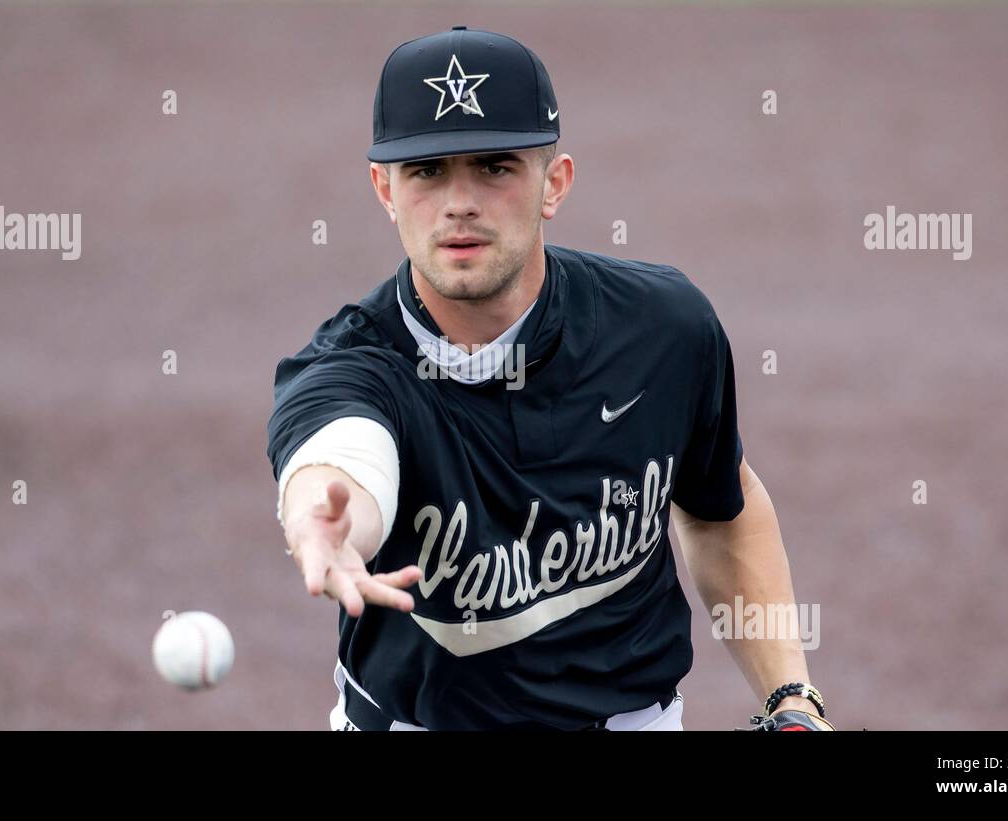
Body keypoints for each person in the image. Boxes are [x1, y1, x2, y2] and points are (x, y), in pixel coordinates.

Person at [267, 26, 833, 731]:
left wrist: (791, 699)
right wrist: (324, 522)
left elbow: (723, 506)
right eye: (427, 171)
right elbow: (343, 457)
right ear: (384, 188)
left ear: (553, 183)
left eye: (495, 166)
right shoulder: (351, 366)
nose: (459, 202)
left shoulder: (664, 329)